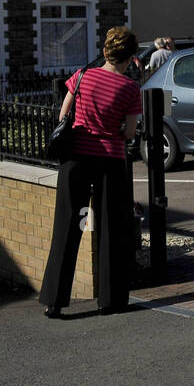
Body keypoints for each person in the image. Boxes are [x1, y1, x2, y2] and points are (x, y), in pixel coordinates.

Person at [40, 27, 143, 318]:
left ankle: (54, 301)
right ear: (130, 56)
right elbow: (130, 133)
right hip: (109, 161)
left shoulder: (82, 76)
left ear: (105, 52)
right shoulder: (130, 89)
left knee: (67, 227)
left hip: (75, 160)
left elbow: (63, 115)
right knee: (112, 229)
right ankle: (110, 301)